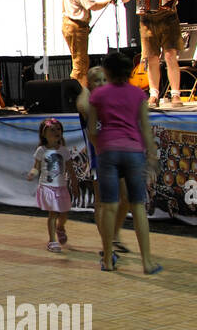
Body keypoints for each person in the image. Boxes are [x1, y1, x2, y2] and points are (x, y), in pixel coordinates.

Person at [86, 53, 163, 275]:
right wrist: (152, 155)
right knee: (137, 205)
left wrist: (101, 146)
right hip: (134, 151)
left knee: (109, 205)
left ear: (107, 72)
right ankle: (147, 262)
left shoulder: (98, 96)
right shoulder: (138, 94)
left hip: (107, 151)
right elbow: (145, 128)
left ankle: (108, 259)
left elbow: (92, 130)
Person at [120, 0, 183, 109]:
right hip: (147, 20)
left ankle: (175, 94)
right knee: (151, 58)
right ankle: (154, 94)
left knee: (170, 55)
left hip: (167, 17)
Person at [76, 66, 131, 257]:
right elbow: (82, 105)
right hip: (99, 159)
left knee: (127, 197)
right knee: (102, 202)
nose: (101, 84)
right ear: (90, 84)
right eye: (96, 81)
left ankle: (114, 235)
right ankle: (106, 244)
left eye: (104, 80)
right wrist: (85, 87)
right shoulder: (88, 103)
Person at [26, 118, 75, 253]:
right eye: (52, 130)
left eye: (58, 129)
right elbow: (36, 167)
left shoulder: (64, 150)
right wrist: (32, 173)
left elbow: (70, 169)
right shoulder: (41, 150)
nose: (56, 132)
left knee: (64, 213)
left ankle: (61, 227)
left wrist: (75, 184)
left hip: (61, 187)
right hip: (47, 186)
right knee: (53, 213)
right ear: (44, 134)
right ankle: (52, 240)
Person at [63, 0, 112, 89]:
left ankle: (81, 93)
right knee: (80, 64)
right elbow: (92, 5)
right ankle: (76, 95)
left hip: (72, 26)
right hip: (76, 26)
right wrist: (108, 1)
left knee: (82, 63)